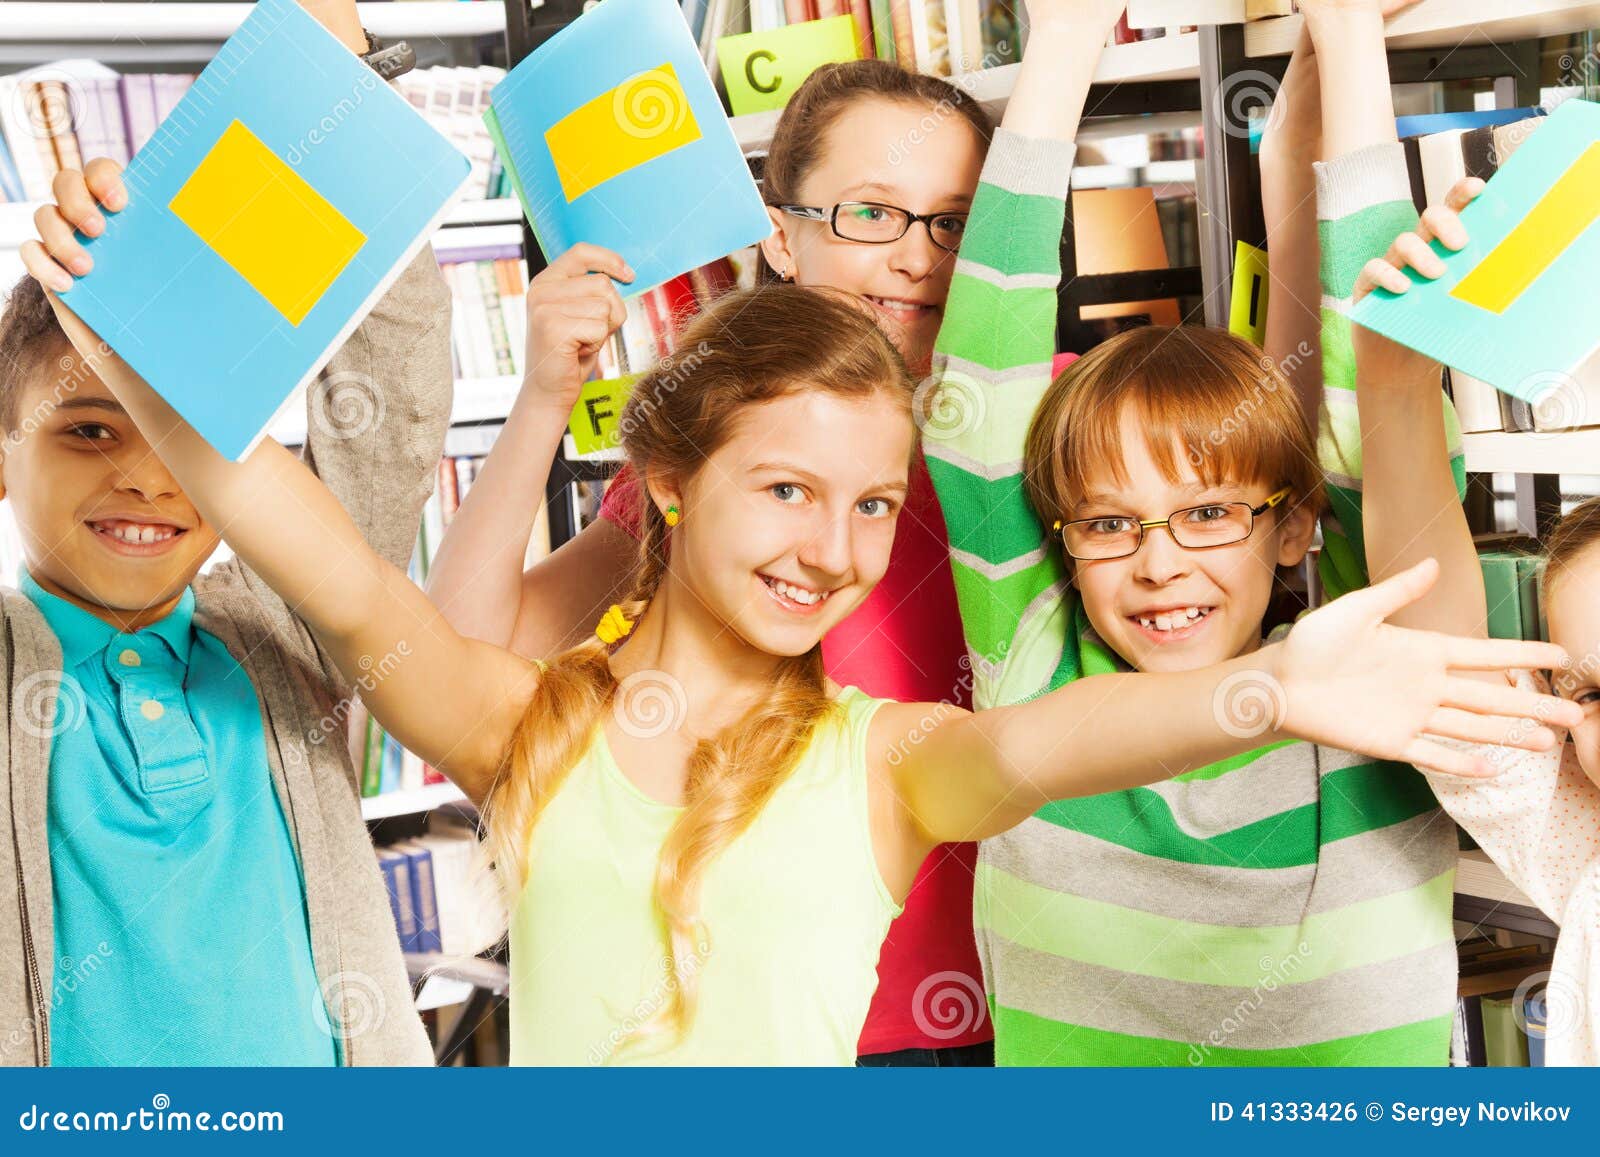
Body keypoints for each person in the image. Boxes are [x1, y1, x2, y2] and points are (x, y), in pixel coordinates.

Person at [35, 246, 1577, 1064]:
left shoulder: (887, 762)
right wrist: (139, 326)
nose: (833, 546)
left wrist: (1268, 691)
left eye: (874, 505)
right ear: (674, 485)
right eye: (787, 488)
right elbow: (333, 568)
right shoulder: (531, 724)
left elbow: (1043, 747)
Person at [421, 0, 1136, 1065]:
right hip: (784, 1007)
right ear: (778, 229)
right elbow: (476, 643)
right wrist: (538, 401)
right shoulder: (724, 454)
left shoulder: (1056, 414)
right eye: (870, 215)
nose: (917, 259)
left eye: (955, 221)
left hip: (1045, 991)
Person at [0, 0, 446, 1067]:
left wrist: (341, 87)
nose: (147, 473)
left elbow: (388, 406)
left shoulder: (283, 636)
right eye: (89, 426)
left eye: (186, 429)